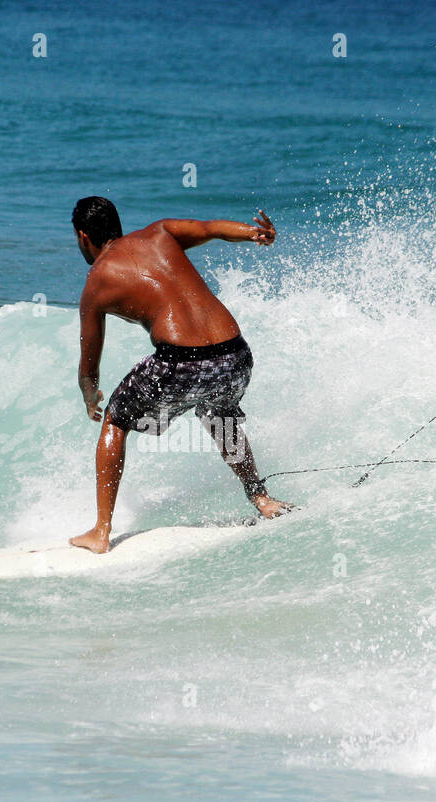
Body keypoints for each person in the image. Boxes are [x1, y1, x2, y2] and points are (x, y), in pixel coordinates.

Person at [68, 196, 292, 554]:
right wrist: (254, 233)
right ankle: (262, 498)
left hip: (182, 363)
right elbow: (211, 228)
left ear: (83, 236)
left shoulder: (97, 281)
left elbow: (89, 360)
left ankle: (100, 532)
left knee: (115, 419)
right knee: (220, 416)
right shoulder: (161, 232)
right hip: (235, 355)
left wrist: (89, 392)